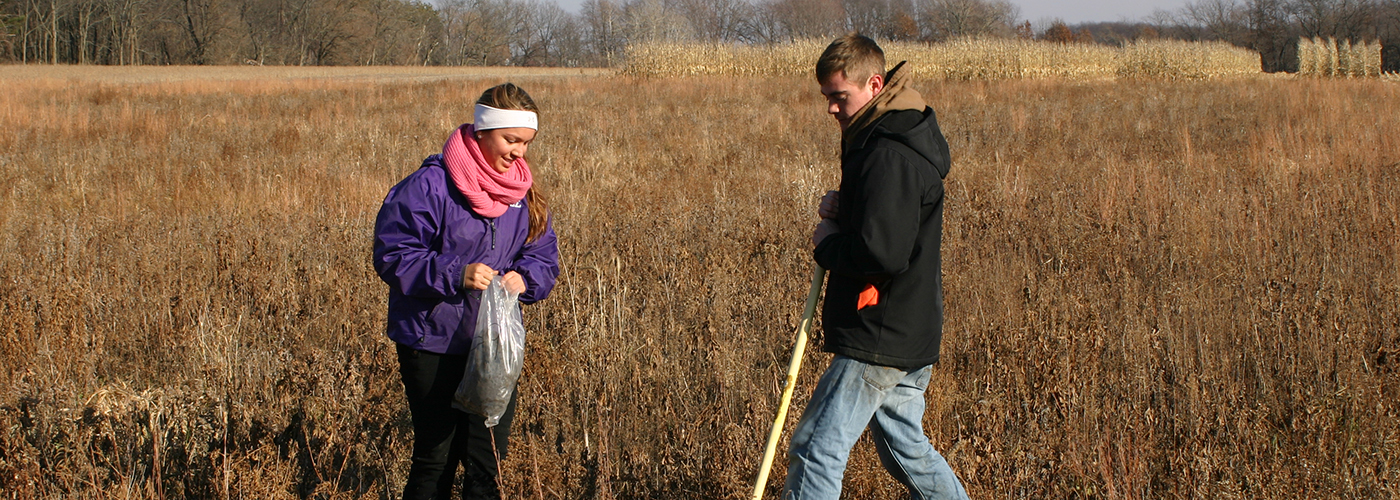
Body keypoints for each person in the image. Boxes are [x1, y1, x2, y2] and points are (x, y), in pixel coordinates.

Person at [783, 34, 967, 500]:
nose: (830, 108)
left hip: (880, 329)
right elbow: (890, 219)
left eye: (838, 96)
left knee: (815, 448)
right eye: (826, 97)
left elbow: (882, 253)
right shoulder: (885, 135)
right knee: (902, 445)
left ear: (874, 84)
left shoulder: (889, 153)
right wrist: (849, 207)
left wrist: (828, 243)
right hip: (907, 325)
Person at [373, 83, 559, 500]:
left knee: (487, 460)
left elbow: (544, 258)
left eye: (526, 143)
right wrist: (455, 274)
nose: (519, 153)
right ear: (481, 132)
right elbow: (392, 254)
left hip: (493, 345)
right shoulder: (430, 186)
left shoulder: (523, 195)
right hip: (430, 341)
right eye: (511, 140)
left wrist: (525, 278)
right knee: (435, 457)